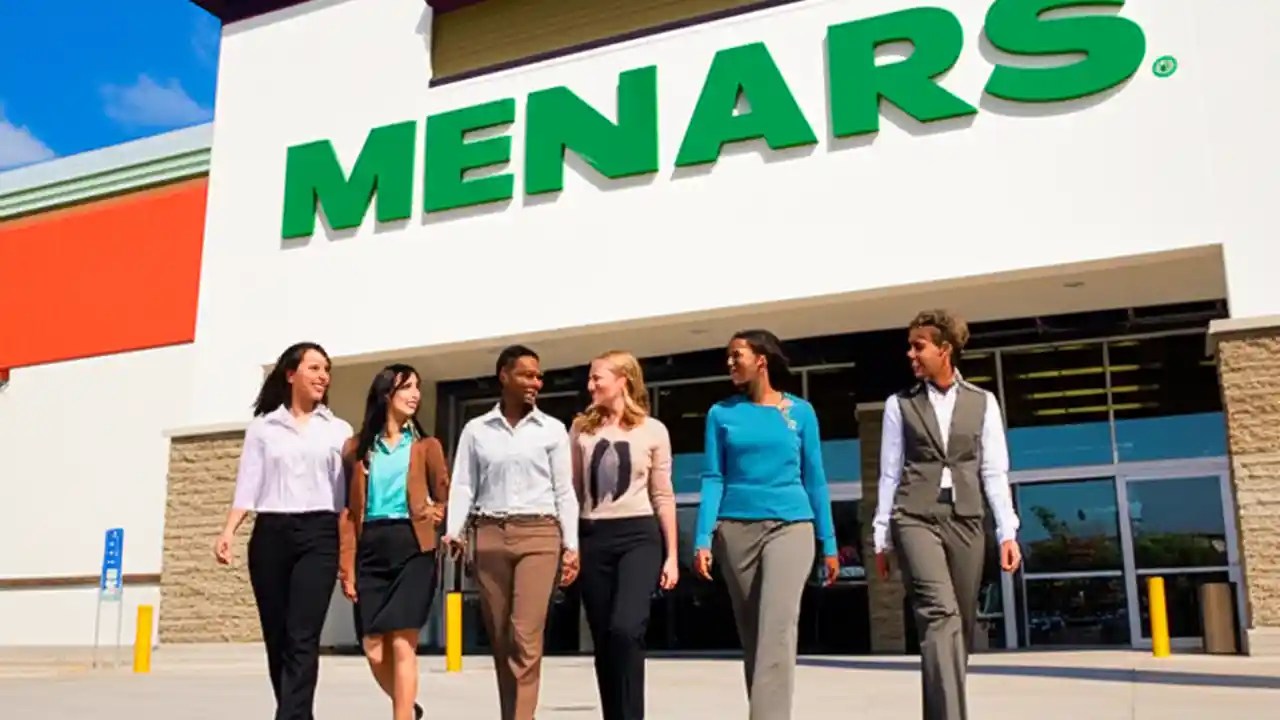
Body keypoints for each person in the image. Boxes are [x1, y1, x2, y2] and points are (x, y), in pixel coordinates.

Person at [872, 309, 1022, 720]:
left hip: (967, 520)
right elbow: (889, 472)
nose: (910, 354)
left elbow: (994, 470)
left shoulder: (983, 402)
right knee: (940, 615)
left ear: (945, 349)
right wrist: (881, 536)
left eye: (918, 346)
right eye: (910, 347)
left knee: (960, 628)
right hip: (915, 517)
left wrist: (1007, 531)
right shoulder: (898, 405)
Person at [692, 329, 839, 720]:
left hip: (792, 527)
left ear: (762, 359)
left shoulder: (800, 412)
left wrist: (829, 543)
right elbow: (713, 477)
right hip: (735, 530)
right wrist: (703, 537)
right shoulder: (720, 413)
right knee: (754, 636)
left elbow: (816, 478)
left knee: (776, 628)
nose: (729, 362)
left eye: (736, 354)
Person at [214, 341, 353, 720]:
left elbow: (347, 497)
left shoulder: (339, 430)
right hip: (271, 534)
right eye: (314, 368)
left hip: (319, 535)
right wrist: (229, 531)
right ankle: (294, 713)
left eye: (326, 369)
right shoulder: (263, 428)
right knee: (277, 638)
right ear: (291, 374)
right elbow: (248, 484)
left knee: (302, 637)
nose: (323, 376)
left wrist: (348, 549)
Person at [442, 344, 580, 720]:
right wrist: (454, 530)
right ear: (504, 376)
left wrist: (571, 545)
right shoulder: (477, 430)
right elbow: (463, 485)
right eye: (527, 375)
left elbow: (564, 490)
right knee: (502, 639)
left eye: (539, 376)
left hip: (540, 535)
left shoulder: (552, 430)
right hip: (489, 536)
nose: (535, 382)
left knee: (525, 636)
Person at [570, 351, 678, 720]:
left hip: (639, 536)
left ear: (623, 380)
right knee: (603, 637)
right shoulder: (581, 430)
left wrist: (672, 555)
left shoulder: (653, 430)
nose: (591, 385)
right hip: (592, 535)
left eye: (597, 377)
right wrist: (569, 546)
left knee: (626, 628)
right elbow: (572, 491)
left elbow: (663, 495)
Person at [338, 364, 449, 720]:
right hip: (371, 546)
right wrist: (348, 568)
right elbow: (349, 514)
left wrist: (436, 514)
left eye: (418, 387)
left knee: (403, 642)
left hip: (413, 547)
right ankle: (409, 707)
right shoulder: (356, 449)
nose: (415, 394)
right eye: (407, 387)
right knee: (373, 647)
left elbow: (446, 497)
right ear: (387, 394)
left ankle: (400, 716)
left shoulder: (426, 447)